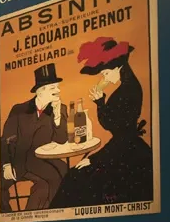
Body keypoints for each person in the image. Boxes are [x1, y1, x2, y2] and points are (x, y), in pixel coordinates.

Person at [51, 38, 153, 208]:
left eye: (105, 73)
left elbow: (123, 135)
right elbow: (111, 124)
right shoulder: (124, 87)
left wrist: (95, 160)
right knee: (74, 178)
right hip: (121, 150)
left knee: (75, 179)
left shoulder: (128, 91)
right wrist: (100, 102)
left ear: (118, 68)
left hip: (127, 155)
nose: (104, 78)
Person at [0, 63, 69, 211]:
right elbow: (4, 139)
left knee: (54, 180)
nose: (58, 90)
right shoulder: (19, 110)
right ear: (40, 91)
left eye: (57, 86)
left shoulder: (60, 109)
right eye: (53, 88)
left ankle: (31, 218)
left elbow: (61, 140)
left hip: (41, 162)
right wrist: (6, 164)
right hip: (16, 162)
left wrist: (57, 116)